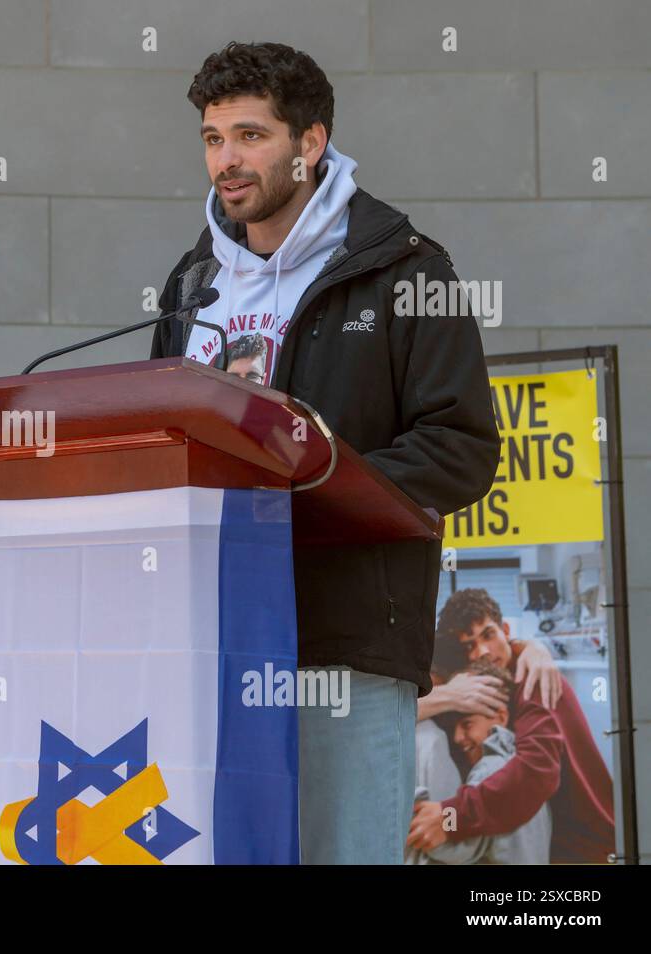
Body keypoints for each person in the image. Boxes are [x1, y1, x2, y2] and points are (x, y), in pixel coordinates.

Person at [150, 41, 501, 863]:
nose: (226, 161)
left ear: (310, 144)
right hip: (208, 638)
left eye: (249, 136)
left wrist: (317, 486)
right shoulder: (192, 284)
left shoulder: (405, 270)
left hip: (346, 640)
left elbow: (461, 447)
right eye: (211, 139)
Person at [408, 589, 615, 864]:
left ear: (505, 629)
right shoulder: (491, 684)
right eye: (469, 645)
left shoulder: (533, 678)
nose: (482, 652)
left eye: (488, 635)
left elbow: (536, 771)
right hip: (554, 843)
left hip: (584, 848)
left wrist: (451, 816)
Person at [407, 660, 551, 865]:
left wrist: (418, 804)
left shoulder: (491, 770)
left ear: (501, 717)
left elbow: (460, 849)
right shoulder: (517, 769)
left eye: (467, 724)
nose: (457, 737)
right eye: (454, 727)